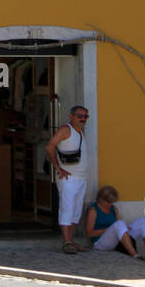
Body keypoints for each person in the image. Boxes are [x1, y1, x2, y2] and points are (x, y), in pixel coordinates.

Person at [46, 103, 90, 253]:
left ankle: (71, 241)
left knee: (76, 211)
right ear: (71, 117)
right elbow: (50, 146)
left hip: (80, 178)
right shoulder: (66, 129)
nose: (83, 119)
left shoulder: (80, 132)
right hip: (69, 179)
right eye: (80, 116)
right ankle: (66, 242)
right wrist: (57, 167)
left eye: (85, 116)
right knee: (67, 209)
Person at [85, 185, 145, 264]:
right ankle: (135, 255)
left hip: (114, 240)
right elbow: (90, 233)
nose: (110, 204)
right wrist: (110, 229)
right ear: (101, 199)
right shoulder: (93, 210)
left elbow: (117, 227)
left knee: (142, 222)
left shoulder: (113, 209)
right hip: (100, 243)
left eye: (112, 202)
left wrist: (124, 229)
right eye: (108, 202)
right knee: (119, 224)